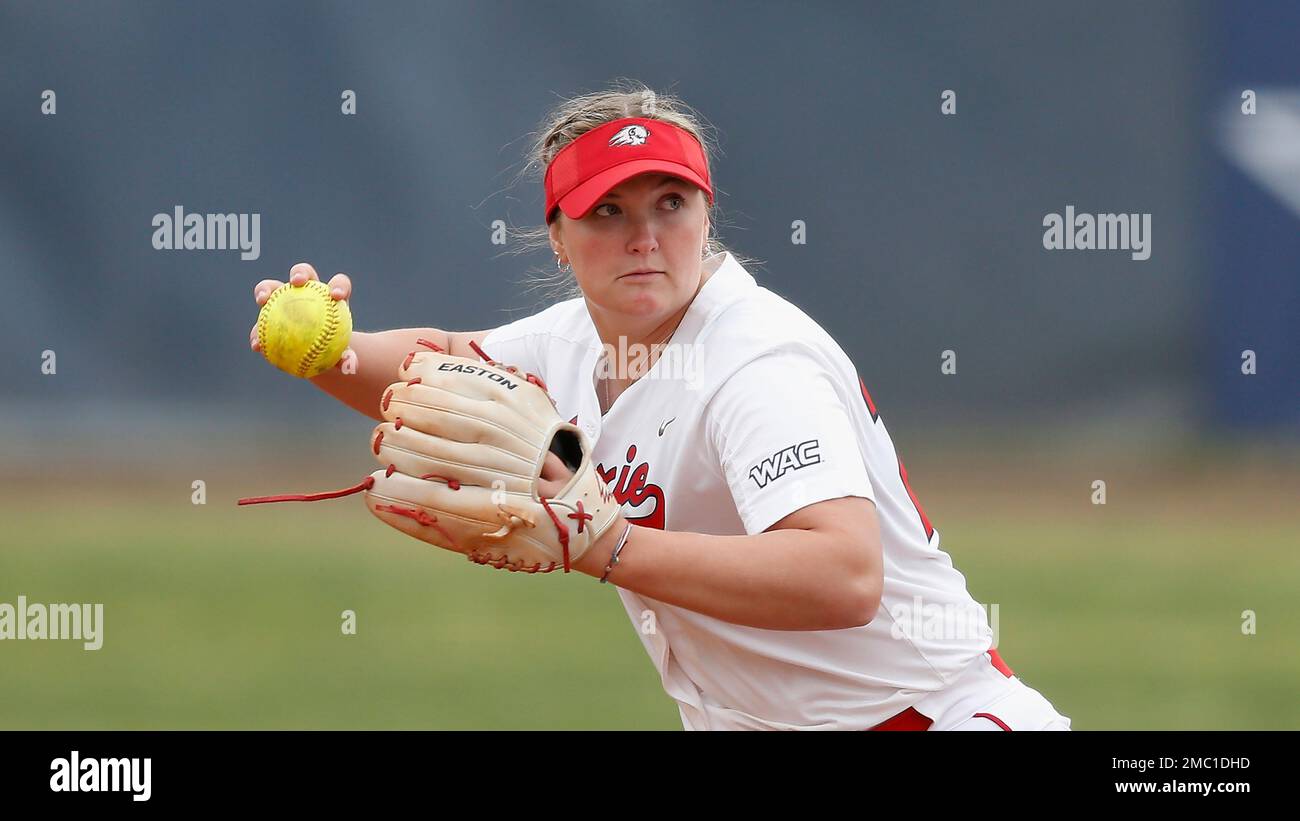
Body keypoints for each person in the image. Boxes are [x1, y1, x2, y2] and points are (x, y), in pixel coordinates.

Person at [249, 84, 1071, 731]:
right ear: (558, 237)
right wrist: (326, 348)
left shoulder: (758, 364)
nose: (645, 235)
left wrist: (610, 545)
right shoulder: (576, 340)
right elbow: (442, 366)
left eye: (670, 204)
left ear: (708, 216)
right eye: (609, 210)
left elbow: (845, 573)